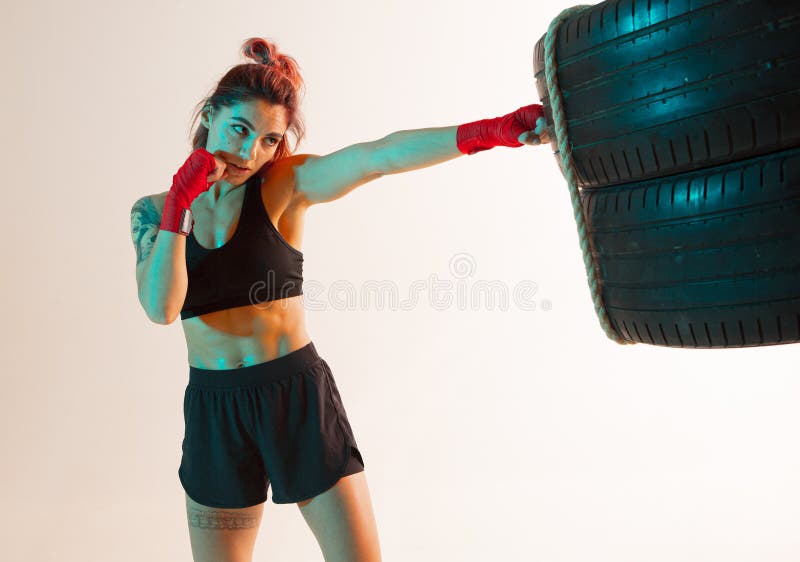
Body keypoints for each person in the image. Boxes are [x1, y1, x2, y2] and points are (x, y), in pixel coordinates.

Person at [130, 37, 550, 562]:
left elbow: (379, 156)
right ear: (211, 115)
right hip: (215, 410)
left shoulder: (283, 186)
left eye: (268, 140)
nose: (249, 153)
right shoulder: (151, 212)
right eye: (239, 130)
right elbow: (162, 308)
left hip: (294, 396)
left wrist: (490, 132)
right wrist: (178, 204)